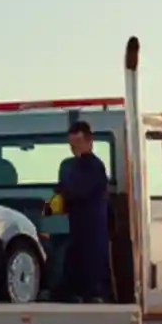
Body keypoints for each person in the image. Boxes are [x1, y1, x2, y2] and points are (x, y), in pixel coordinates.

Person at [52, 121, 110, 303]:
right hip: (75, 225)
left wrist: (65, 193)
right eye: (71, 145)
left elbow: (80, 191)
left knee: (92, 259)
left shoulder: (95, 166)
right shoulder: (69, 166)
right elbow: (61, 190)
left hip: (93, 225)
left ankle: (93, 293)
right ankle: (68, 291)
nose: (73, 148)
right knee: (72, 257)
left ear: (89, 141)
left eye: (77, 143)